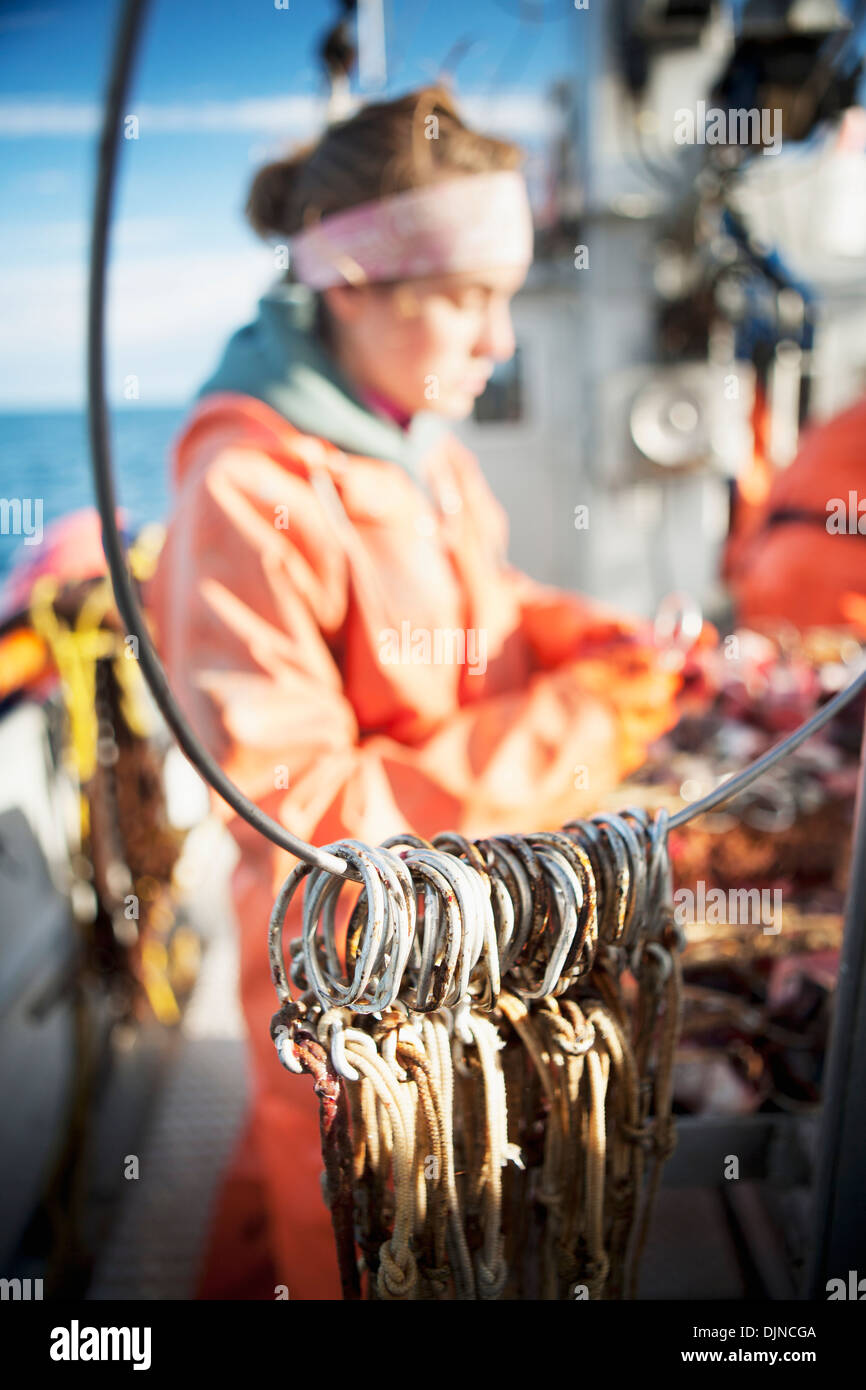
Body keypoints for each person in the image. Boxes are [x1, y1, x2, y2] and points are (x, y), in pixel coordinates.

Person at [146, 86, 683, 1300]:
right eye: (468, 298)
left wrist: (596, 637)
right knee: (345, 1228)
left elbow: (483, 603)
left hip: (463, 941)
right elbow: (303, 813)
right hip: (357, 995)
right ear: (350, 281)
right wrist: (583, 724)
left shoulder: (406, 441)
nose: (500, 340)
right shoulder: (247, 491)